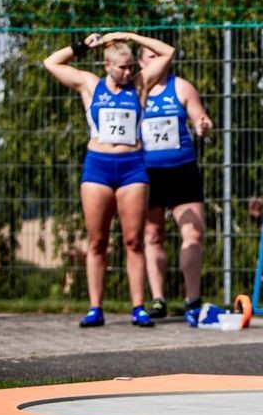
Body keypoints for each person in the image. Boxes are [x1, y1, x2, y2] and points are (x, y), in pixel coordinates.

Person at [44, 32, 175, 328]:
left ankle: (138, 307)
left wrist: (128, 36)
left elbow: (167, 52)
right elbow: (51, 63)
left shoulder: (139, 86)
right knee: (97, 241)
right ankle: (95, 307)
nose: (128, 73)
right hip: (98, 167)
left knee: (133, 240)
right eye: (122, 68)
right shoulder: (91, 85)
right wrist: (80, 47)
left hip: (132, 167)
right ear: (107, 65)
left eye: (131, 67)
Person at [138, 50, 213, 321]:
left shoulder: (180, 87)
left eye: (159, 55)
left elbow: (200, 118)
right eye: (148, 56)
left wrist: (203, 126)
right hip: (147, 173)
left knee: (193, 234)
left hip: (182, 170)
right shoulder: (136, 89)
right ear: (140, 62)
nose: (155, 60)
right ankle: (158, 299)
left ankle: (192, 299)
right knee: (152, 235)